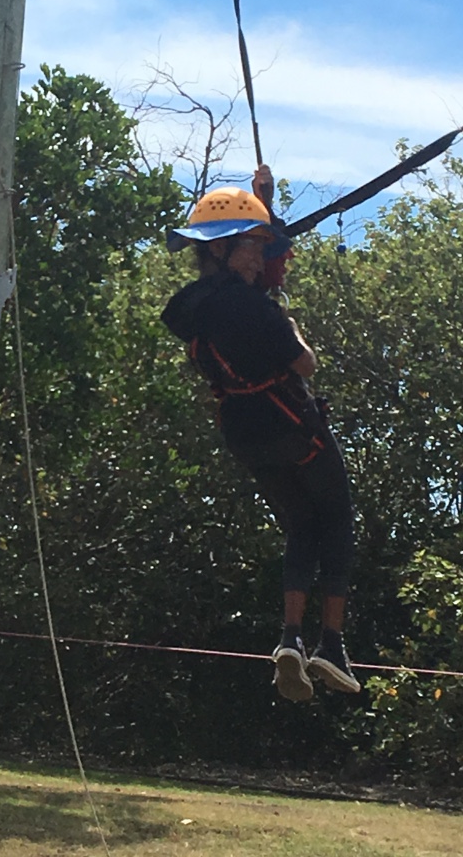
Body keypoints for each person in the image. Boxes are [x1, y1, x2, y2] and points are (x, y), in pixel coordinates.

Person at [160, 168, 359, 702]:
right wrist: (292, 329)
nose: (259, 258)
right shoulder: (254, 308)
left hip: (245, 436)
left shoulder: (195, 307)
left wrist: (263, 203)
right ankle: (331, 644)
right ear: (221, 248)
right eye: (250, 247)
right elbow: (305, 363)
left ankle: (290, 639)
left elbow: (256, 283)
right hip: (291, 425)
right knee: (336, 518)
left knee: (301, 526)